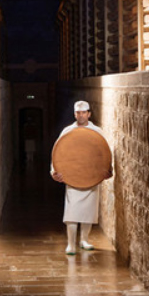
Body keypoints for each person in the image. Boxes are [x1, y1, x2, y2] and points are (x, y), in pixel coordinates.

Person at [50, 100, 113, 255]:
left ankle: (84, 239)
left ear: (89, 114)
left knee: (88, 212)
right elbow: (58, 153)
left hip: (91, 176)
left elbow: (105, 152)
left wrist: (107, 170)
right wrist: (55, 172)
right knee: (72, 212)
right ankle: (71, 243)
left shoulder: (97, 131)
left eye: (84, 112)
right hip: (73, 177)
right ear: (75, 114)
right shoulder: (67, 131)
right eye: (78, 113)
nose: (81, 115)